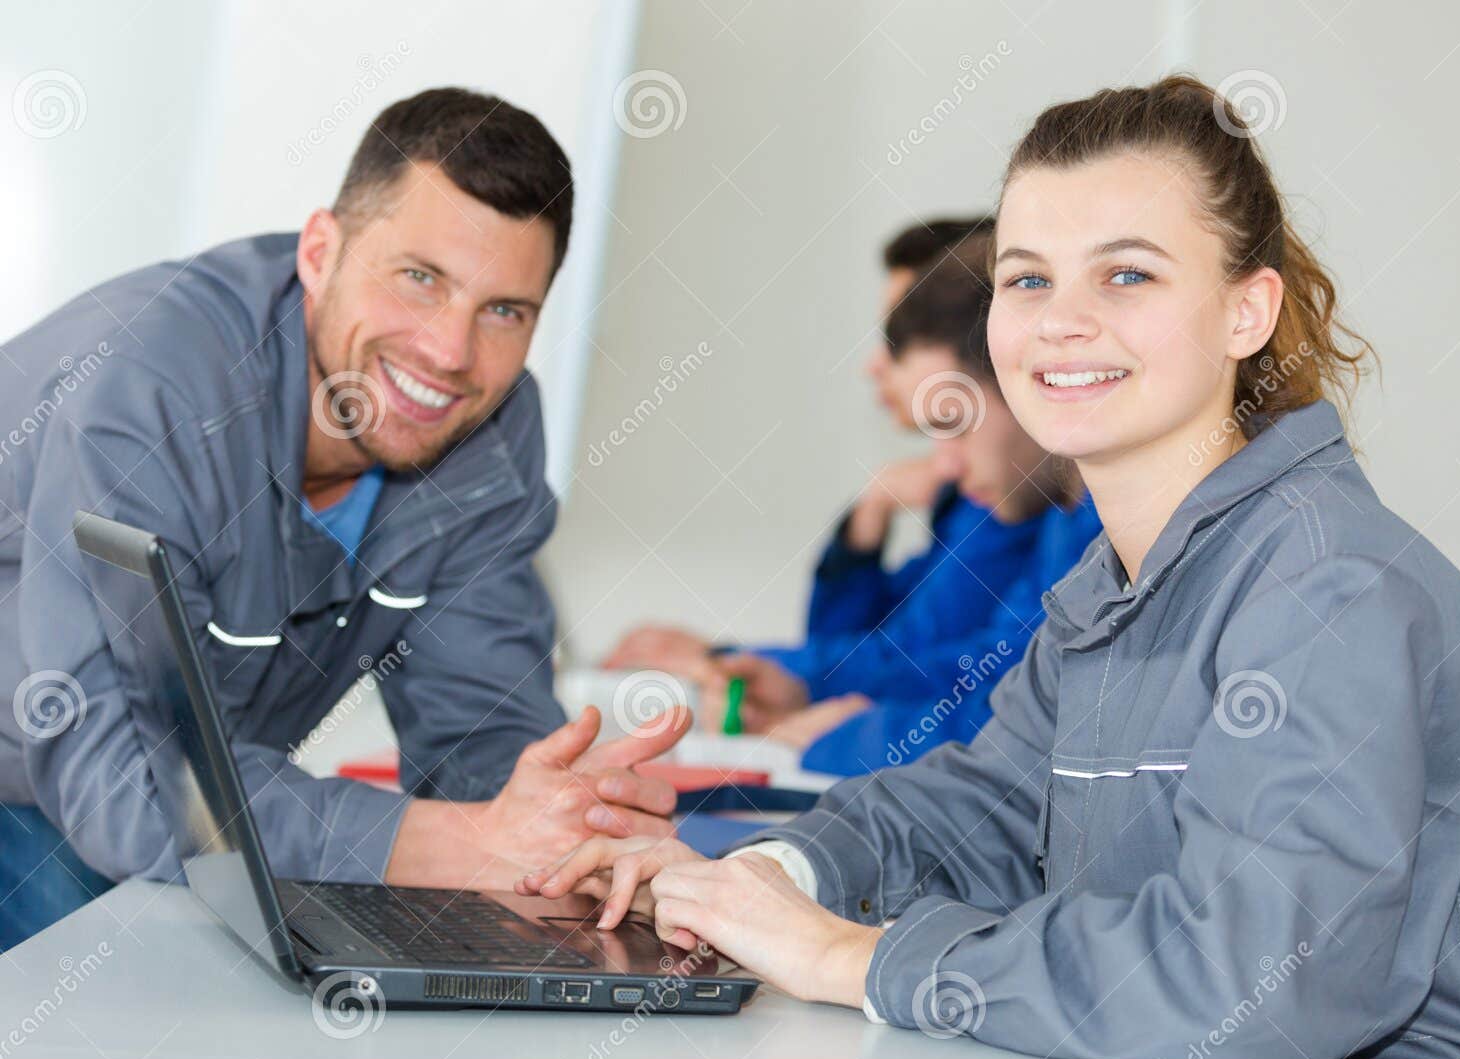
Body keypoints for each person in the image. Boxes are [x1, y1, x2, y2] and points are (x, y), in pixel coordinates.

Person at [522, 76, 1460, 1059]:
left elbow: (1253, 993)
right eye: (1026, 276)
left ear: (1246, 310)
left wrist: (850, 958)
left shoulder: (1329, 585)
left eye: (1126, 273)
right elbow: (982, 805)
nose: (1062, 319)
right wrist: (765, 877)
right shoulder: (1117, 581)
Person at [0, 88, 681, 951]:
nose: (450, 353)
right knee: (131, 988)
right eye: (420, 278)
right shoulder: (156, 389)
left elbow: (483, 729)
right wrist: (463, 842)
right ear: (321, 251)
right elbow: (126, 784)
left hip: (177, 825)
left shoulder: (491, 433)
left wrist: (566, 827)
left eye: (504, 311)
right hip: (42, 792)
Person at [601, 218, 1048, 703]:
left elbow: (928, 657)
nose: (877, 365)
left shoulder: (1014, 494)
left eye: (900, 340)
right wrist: (867, 520)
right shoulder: (980, 482)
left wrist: (752, 668)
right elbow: (863, 636)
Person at [709, 238, 1101, 772]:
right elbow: (987, 663)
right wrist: (804, 682)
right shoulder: (1060, 511)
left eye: (954, 423)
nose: (947, 463)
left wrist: (849, 732)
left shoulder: (1105, 516)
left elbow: (1038, 729)